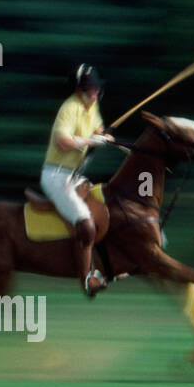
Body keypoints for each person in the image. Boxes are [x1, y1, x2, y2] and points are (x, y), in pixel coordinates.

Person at [41, 64, 114, 296]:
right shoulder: (69, 108)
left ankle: (109, 266)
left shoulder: (92, 106)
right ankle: (86, 280)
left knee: (104, 208)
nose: (94, 94)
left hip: (74, 176)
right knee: (85, 222)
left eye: (96, 89)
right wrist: (90, 141)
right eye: (89, 89)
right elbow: (62, 141)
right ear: (78, 90)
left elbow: (99, 127)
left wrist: (104, 135)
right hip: (56, 176)